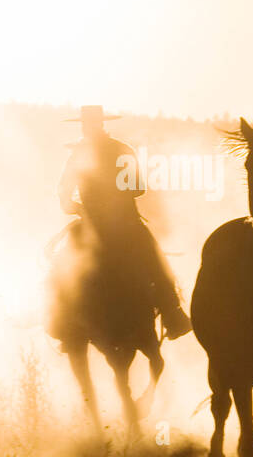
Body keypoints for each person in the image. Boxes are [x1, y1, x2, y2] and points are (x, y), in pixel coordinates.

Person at [56, 105, 191, 339]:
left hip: (93, 224)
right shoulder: (121, 150)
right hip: (125, 223)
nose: (88, 127)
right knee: (154, 260)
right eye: (87, 123)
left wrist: (74, 205)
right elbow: (137, 188)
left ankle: (64, 324)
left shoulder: (78, 154)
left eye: (90, 123)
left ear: (96, 124)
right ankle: (173, 315)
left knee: (63, 264)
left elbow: (64, 191)